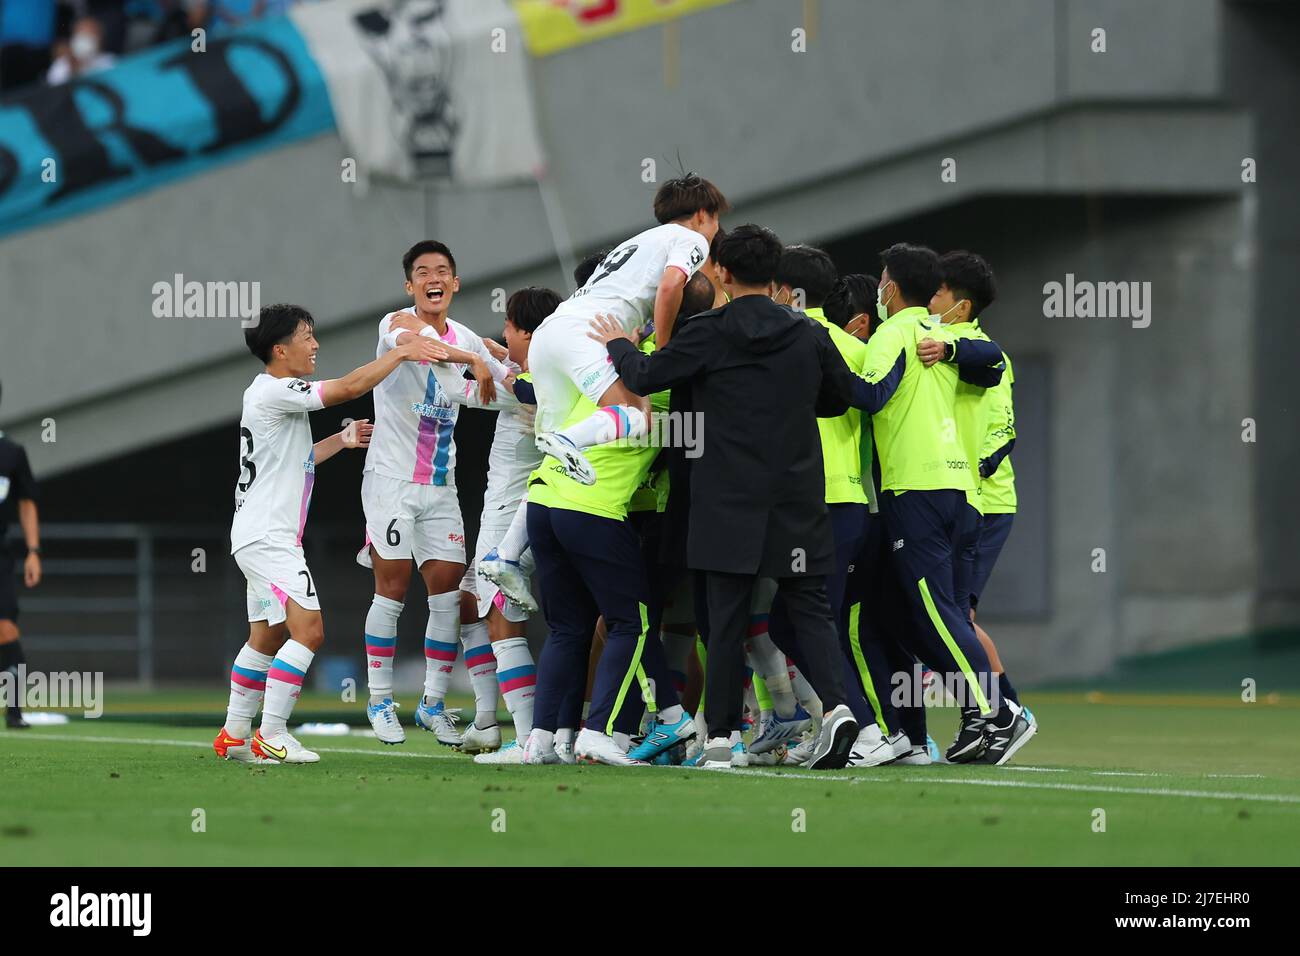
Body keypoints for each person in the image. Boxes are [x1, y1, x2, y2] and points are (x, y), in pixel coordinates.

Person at [592, 223, 862, 770]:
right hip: (797, 494)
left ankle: (719, 739)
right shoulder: (809, 334)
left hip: (725, 500)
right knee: (810, 608)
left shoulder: (709, 331)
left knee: (726, 618)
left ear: (720, 271)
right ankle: (837, 709)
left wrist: (617, 342)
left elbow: (645, 375)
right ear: (776, 276)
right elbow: (839, 400)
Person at [215, 304, 442, 764]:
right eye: (306, 336)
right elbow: (347, 388)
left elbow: (292, 462)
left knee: (267, 635)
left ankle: (235, 734)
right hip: (269, 537)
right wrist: (402, 353)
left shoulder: (264, 394)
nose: (315, 344)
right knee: (310, 630)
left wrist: (339, 442)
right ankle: (273, 733)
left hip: (256, 535)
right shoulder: (277, 391)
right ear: (281, 349)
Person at [356, 240, 511, 747]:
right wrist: (477, 357)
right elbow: (424, 344)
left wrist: (507, 362)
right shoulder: (396, 323)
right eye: (422, 272)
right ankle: (380, 700)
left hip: (440, 485)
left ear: (455, 282)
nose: (432, 278)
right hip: (391, 480)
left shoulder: (467, 335)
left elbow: (502, 366)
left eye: (442, 270)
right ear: (410, 286)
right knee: (394, 587)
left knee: (449, 598)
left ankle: (432, 703)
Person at [528, 175, 726, 487]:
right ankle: (566, 438)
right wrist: (664, 351)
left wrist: (638, 335)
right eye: (716, 218)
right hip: (587, 333)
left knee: (552, 465)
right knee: (637, 414)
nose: (715, 229)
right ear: (703, 213)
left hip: (550, 332)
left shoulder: (641, 240)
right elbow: (671, 285)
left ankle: (509, 539)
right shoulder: (693, 239)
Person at [931, 250, 1035, 763]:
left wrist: (972, 470)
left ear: (961, 304)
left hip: (984, 501)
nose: (932, 300)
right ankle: (996, 713)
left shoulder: (981, 351)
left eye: (939, 293)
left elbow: (1003, 428)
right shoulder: (943, 345)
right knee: (951, 614)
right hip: (959, 497)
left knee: (957, 616)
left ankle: (1003, 712)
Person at [0, 381, 41, 729]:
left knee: (6, 627)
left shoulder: (11, 453)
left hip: (2, 556)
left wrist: (33, 551)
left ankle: (14, 711)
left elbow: (27, 503)